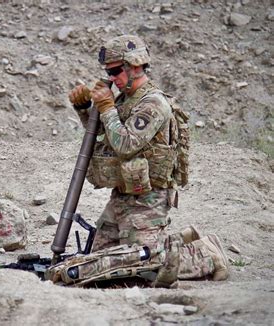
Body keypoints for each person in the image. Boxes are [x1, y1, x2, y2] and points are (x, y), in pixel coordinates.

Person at [63, 34, 229, 287]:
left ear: (136, 66)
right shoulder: (122, 100)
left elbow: (126, 145)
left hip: (148, 198)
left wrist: (106, 108)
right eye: (109, 72)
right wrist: (85, 109)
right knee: (98, 265)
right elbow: (102, 135)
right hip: (122, 194)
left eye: (116, 71)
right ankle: (170, 243)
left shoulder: (153, 103)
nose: (112, 78)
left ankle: (205, 254)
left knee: (142, 265)